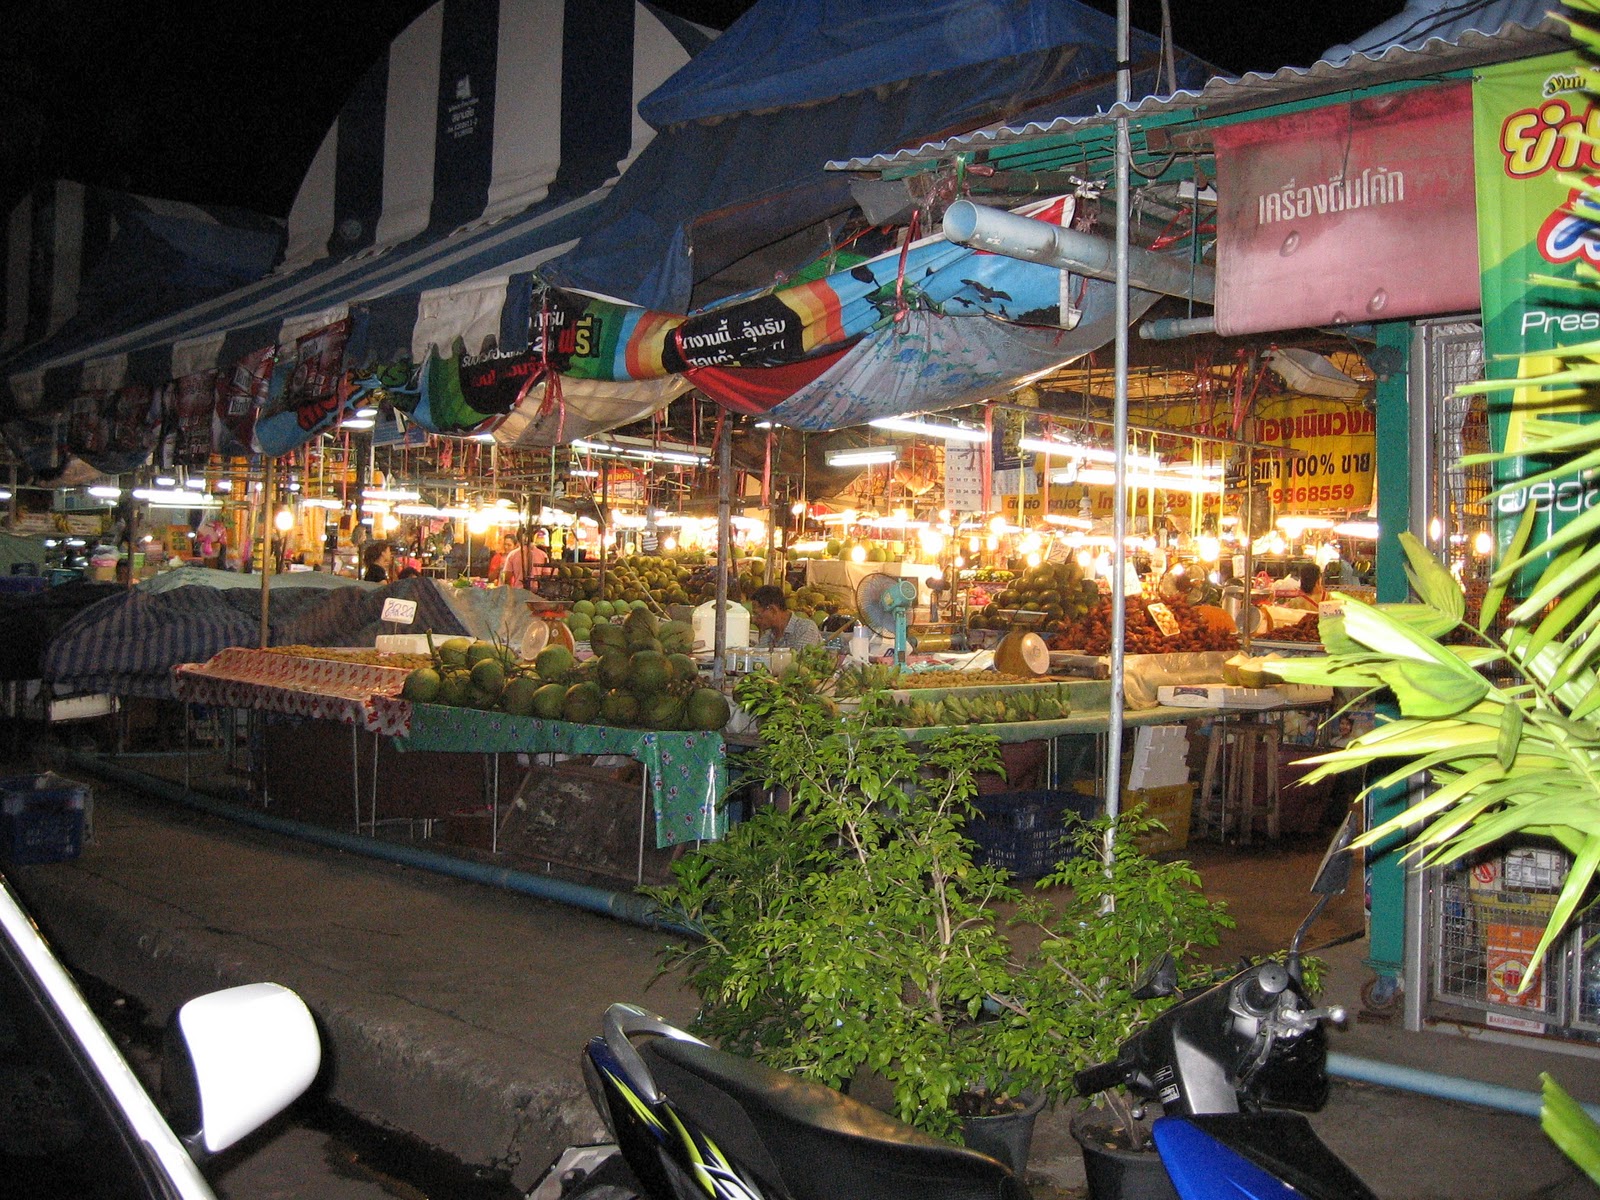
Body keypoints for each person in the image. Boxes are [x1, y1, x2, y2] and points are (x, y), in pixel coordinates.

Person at [750, 584, 822, 650]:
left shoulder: (805, 629)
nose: (754, 620)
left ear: (773, 610)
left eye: (757, 614)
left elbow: (800, 661)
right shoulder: (767, 637)